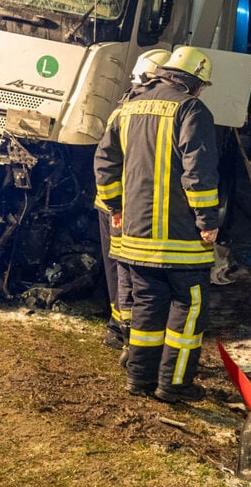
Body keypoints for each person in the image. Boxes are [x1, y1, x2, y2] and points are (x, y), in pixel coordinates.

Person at [94, 45, 220, 403]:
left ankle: (139, 379)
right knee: (189, 307)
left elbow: (103, 162)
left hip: (135, 237)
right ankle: (174, 385)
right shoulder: (191, 109)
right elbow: (198, 173)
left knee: (147, 306)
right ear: (195, 83)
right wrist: (207, 221)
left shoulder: (128, 106)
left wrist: (114, 206)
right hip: (180, 240)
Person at [99, 48, 170, 349]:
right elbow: (108, 163)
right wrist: (116, 206)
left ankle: (120, 328)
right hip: (124, 206)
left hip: (119, 203)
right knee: (124, 270)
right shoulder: (139, 110)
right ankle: (122, 330)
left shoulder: (126, 107)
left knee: (120, 268)